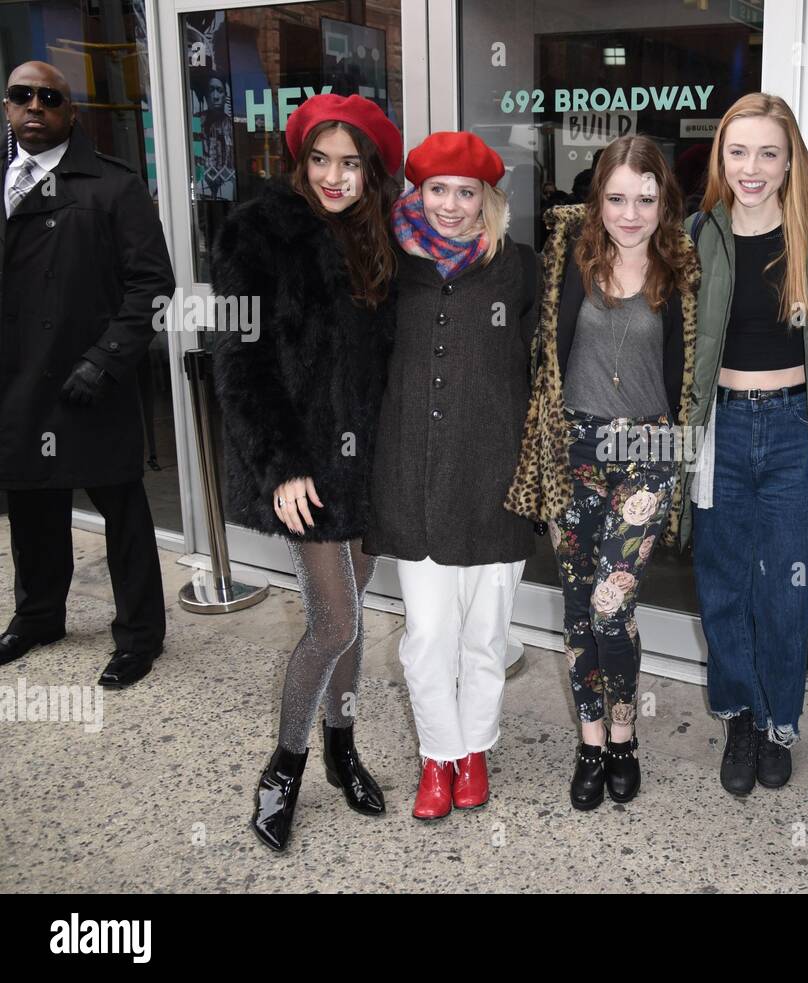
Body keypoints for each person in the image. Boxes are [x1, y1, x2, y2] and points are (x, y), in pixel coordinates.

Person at [210, 93, 402, 852]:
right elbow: (238, 358)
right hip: (303, 464)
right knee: (335, 620)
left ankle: (342, 746)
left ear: (370, 169)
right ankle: (284, 767)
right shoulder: (254, 232)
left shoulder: (382, 234)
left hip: (368, 463)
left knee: (349, 616)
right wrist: (280, 465)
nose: (333, 176)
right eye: (319, 160)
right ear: (299, 160)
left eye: (349, 163)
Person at [505, 134, 699, 810]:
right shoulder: (566, 260)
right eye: (617, 197)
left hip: (648, 456)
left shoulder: (683, 269)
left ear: (663, 201)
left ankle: (626, 735)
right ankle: (592, 742)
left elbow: (693, 372)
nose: (630, 212)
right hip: (573, 452)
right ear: (598, 201)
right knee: (577, 609)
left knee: (611, 608)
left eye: (645, 198)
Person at [364, 131, 538, 821]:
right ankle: (439, 756)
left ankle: (476, 749)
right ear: (418, 192)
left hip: (496, 479)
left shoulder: (519, 268)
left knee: (486, 634)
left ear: (487, 200)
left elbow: (543, 368)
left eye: (467, 192)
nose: (452, 205)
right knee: (429, 634)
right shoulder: (388, 268)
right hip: (410, 474)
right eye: (438, 189)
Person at [681, 93, 808, 796]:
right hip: (718, 426)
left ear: (790, 160)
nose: (752, 167)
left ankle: (781, 720)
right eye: (738, 151)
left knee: (786, 591)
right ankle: (740, 718)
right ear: (721, 155)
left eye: (768, 153)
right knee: (723, 588)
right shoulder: (696, 232)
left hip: (792, 428)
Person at [0, 61, 174, 688]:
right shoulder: (5, 180)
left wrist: (104, 360)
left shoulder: (112, 185)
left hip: (88, 379)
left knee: (122, 513)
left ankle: (139, 637)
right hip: (15, 382)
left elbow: (153, 286)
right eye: (22, 96)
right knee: (32, 508)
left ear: (71, 112)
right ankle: (39, 616)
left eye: (50, 97)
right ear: (7, 107)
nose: (35, 106)